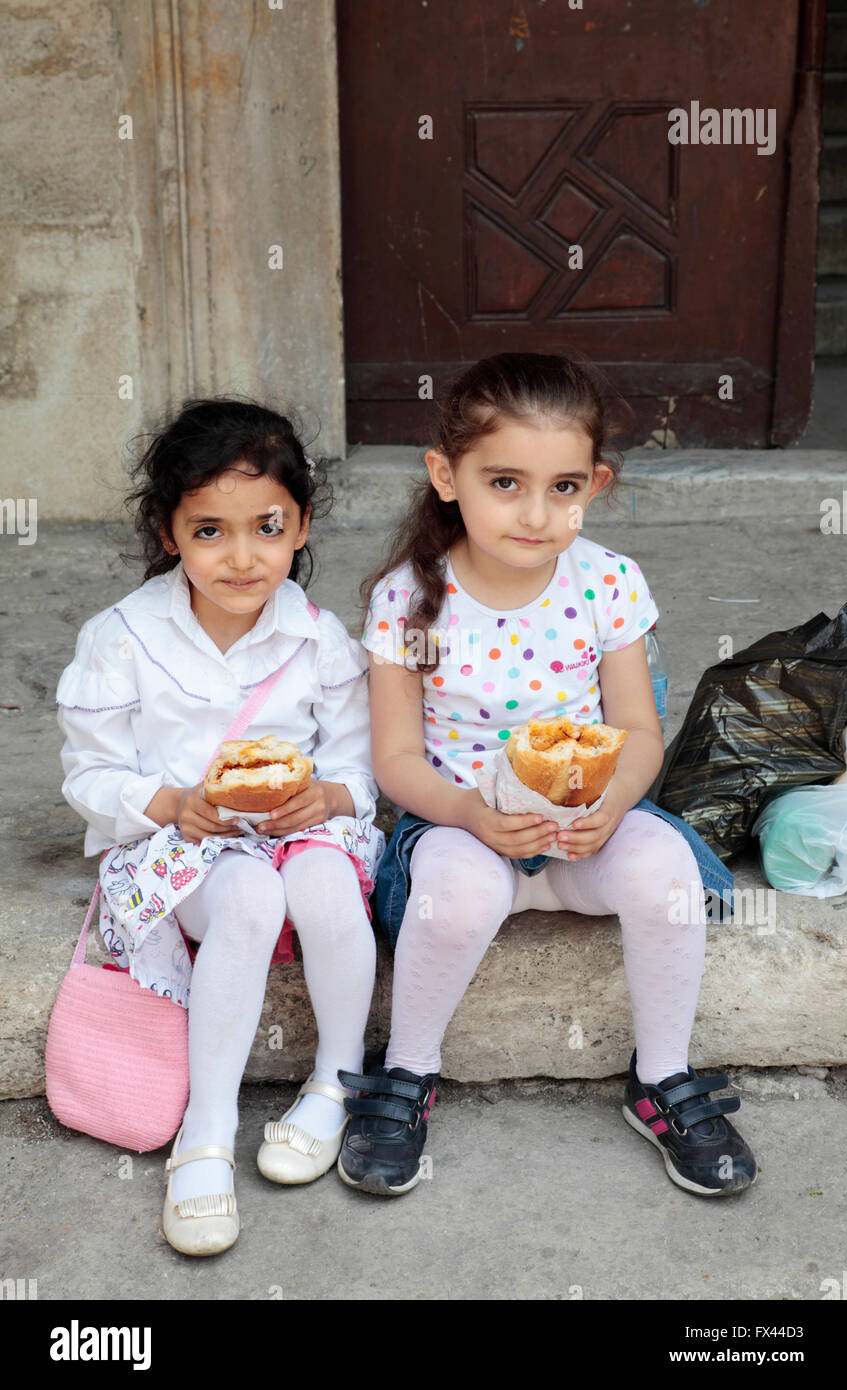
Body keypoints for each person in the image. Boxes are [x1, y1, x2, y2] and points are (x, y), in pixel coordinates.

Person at [339, 353, 756, 1200]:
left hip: (583, 829)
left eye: (564, 487)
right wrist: (469, 814)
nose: (536, 514)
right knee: (452, 896)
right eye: (504, 483)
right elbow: (395, 762)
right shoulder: (410, 600)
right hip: (462, 828)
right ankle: (408, 1074)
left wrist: (616, 805)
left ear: (595, 484)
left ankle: (663, 1079)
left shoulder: (606, 583)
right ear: (445, 475)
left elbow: (638, 729)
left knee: (667, 872)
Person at [56, 398, 385, 1255]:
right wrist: (169, 804)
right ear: (168, 533)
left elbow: (359, 767)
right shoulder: (122, 639)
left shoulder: (319, 642)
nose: (242, 557)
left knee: (312, 876)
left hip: (299, 831)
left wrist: (329, 801)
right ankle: (206, 1131)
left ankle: (336, 1080)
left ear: (301, 523)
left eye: (267, 527)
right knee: (244, 892)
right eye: (209, 532)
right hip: (181, 844)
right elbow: (90, 775)